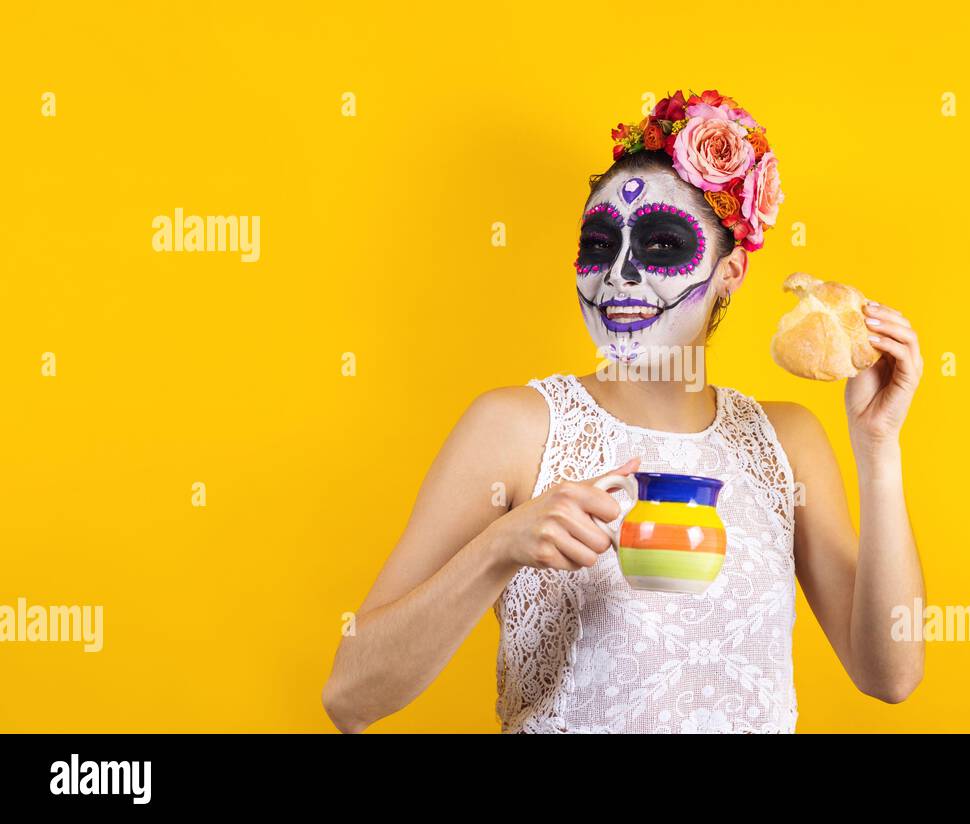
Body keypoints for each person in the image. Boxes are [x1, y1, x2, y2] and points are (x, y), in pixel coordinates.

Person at [322, 89, 925, 733]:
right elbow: (350, 696)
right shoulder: (514, 429)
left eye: (662, 245)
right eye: (599, 244)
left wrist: (878, 448)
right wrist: (501, 548)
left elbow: (889, 675)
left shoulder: (787, 442)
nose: (619, 276)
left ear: (732, 271)